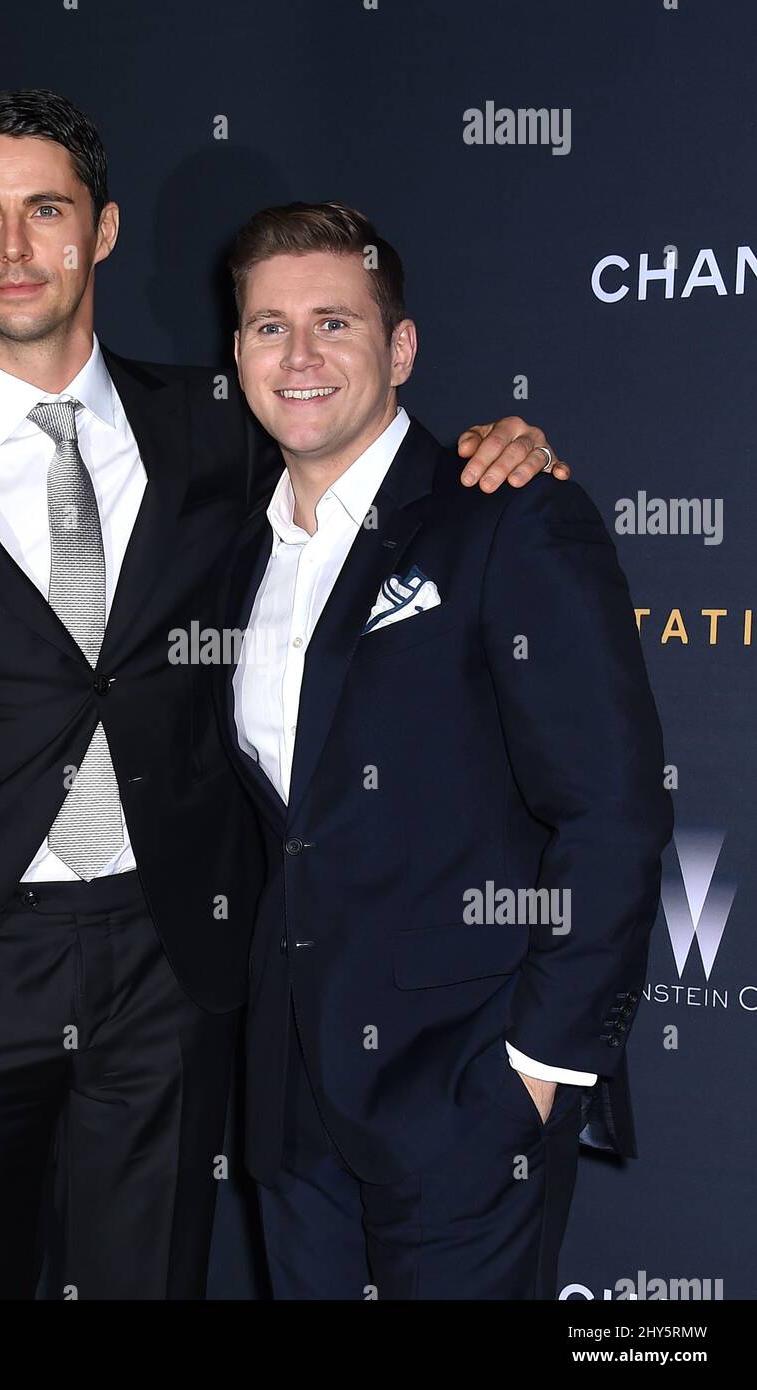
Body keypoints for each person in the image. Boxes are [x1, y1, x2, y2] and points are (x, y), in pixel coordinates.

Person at [0, 90, 568, 1300]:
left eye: (43, 211)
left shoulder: (221, 431)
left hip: (171, 965)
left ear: (98, 230)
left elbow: (359, 452)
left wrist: (500, 450)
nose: (13, 248)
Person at [220, 201, 673, 1299]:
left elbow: (611, 806)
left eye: (334, 321)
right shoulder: (234, 547)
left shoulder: (505, 512)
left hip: (464, 1095)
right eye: (267, 326)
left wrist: (535, 1070)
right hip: (291, 1104)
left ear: (400, 346)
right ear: (235, 351)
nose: (300, 356)